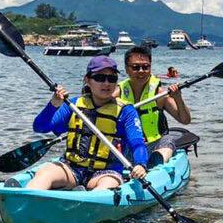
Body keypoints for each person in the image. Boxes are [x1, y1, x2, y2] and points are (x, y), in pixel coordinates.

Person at [27, 56, 148, 191]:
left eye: (112, 79)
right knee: (46, 172)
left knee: (108, 184)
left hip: (106, 172)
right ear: (87, 80)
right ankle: (26, 198)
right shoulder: (73, 105)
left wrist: (140, 164)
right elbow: (40, 128)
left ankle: (88, 199)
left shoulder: (126, 111)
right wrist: (53, 105)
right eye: (100, 78)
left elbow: (137, 143)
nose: (106, 83)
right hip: (71, 168)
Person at [119, 45, 192, 164]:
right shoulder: (118, 93)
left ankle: (157, 162)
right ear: (127, 69)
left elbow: (185, 120)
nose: (141, 71)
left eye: (145, 67)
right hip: (129, 146)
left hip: (153, 145)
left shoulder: (160, 94)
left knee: (168, 139)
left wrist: (178, 98)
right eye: (135, 67)